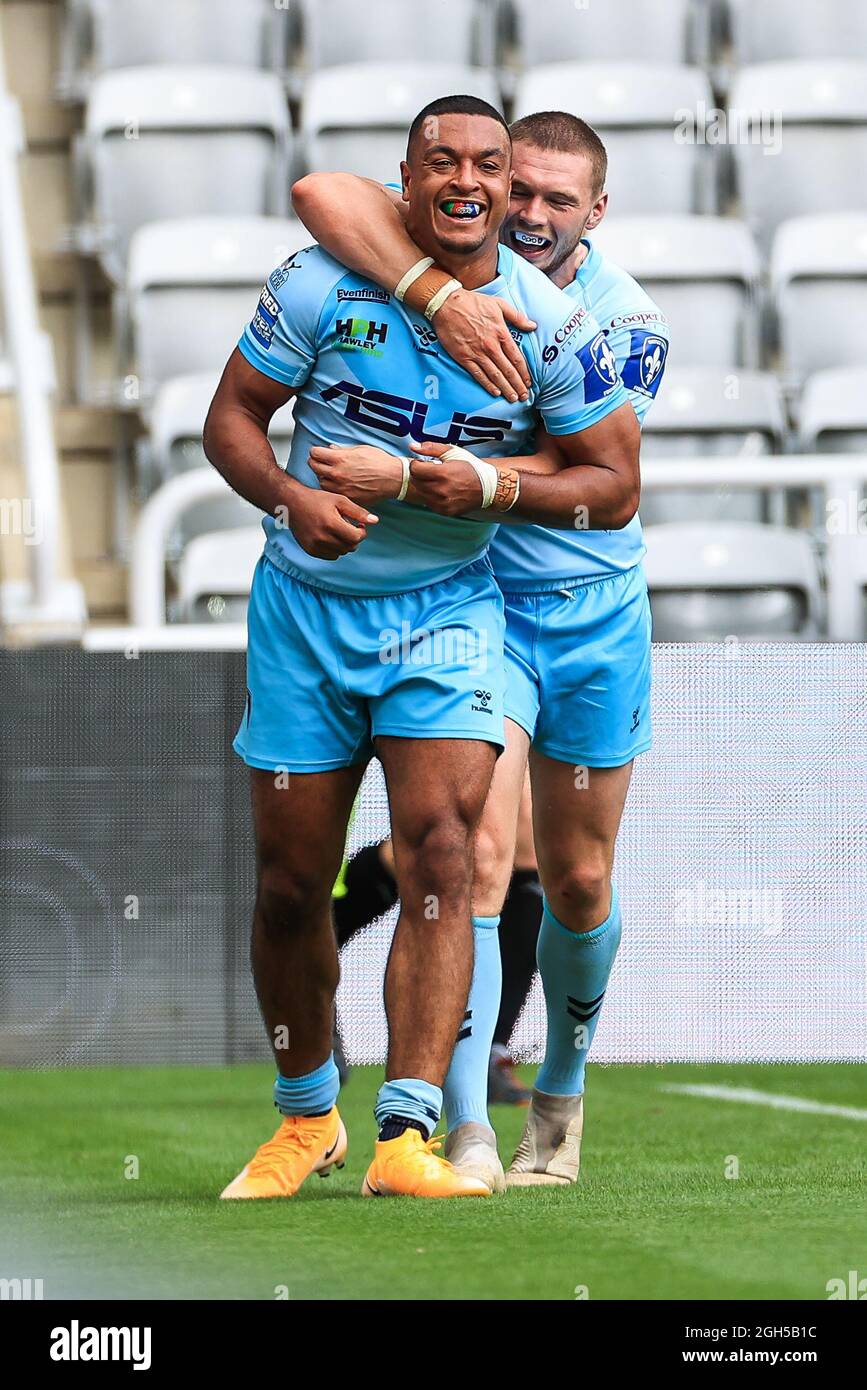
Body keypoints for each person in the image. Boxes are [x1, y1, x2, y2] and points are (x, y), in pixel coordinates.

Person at [203, 96, 640, 1200]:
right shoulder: (324, 280)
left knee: (445, 851)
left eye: (488, 167)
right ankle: (309, 1116)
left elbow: (613, 482)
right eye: (440, 162)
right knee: (292, 882)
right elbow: (232, 418)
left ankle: (408, 1133)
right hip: (304, 607)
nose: (468, 183)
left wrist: (483, 485)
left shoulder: (558, 322)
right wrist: (288, 496)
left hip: (450, 606)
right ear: (404, 177)